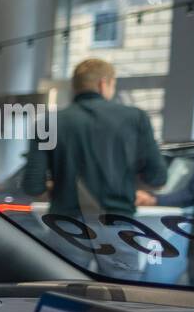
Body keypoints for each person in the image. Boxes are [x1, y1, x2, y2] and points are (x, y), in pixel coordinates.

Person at [22, 58, 167, 216]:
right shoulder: (135, 117)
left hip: (65, 226)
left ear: (75, 87)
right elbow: (157, 177)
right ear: (103, 84)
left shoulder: (48, 123)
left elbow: (33, 186)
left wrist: (59, 187)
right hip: (117, 226)